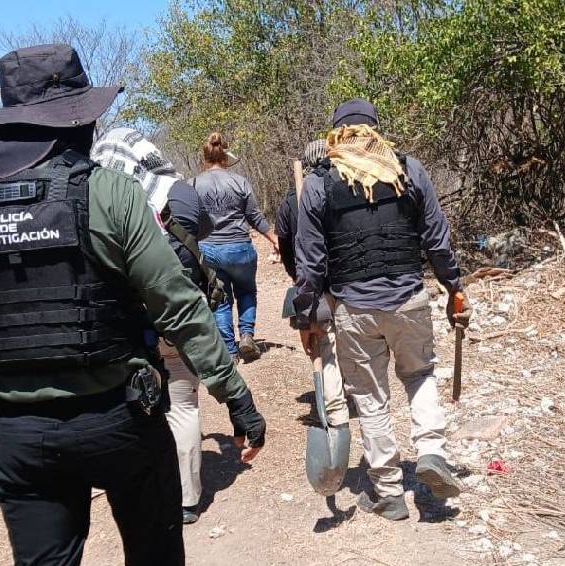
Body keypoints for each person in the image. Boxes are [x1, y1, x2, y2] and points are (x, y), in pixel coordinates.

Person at [0, 44, 266, 566]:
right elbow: (180, 307)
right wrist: (237, 398)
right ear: (76, 119)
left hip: (19, 433)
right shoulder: (108, 194)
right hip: (119, 419)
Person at [293, 98, 471, 521]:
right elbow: (436, 239)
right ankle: (431, 451)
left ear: (337, 133)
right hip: (410, 299)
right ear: (376, 129)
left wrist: (306, 315)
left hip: (355, 308)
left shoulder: (320, 182)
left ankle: (388, 490)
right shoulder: (408, 170)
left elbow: (311, 263)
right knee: (420, 375)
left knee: (371, 398)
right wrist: (454, 288)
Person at [92, 127, 213, 525]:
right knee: (183, 405)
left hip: (128, 324)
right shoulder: (181, 191)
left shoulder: (98, 195)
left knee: (134, 406)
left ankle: (146, 491)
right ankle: (188, 498)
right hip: (179, 316)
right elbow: (204, 231)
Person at [275, 139, 349, 430]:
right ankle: (340, 401)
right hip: (342, 280)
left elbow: (286, 247)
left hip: (316, 280)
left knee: (327, 345)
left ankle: (335, 408)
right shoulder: (343, 189)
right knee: (339, 341)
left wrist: (298, 278)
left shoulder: (291, 202)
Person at [192, 133, 280, 362]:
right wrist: (273, 238)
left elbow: (189, 219)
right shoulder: (239, 181)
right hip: (240, 247)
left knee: (220, 298)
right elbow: (254, 216)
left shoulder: (194, 184)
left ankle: (230, 351)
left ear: (205, 158)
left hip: (209, 249)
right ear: (225, 156)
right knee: (246, 290)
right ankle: (247, 335)